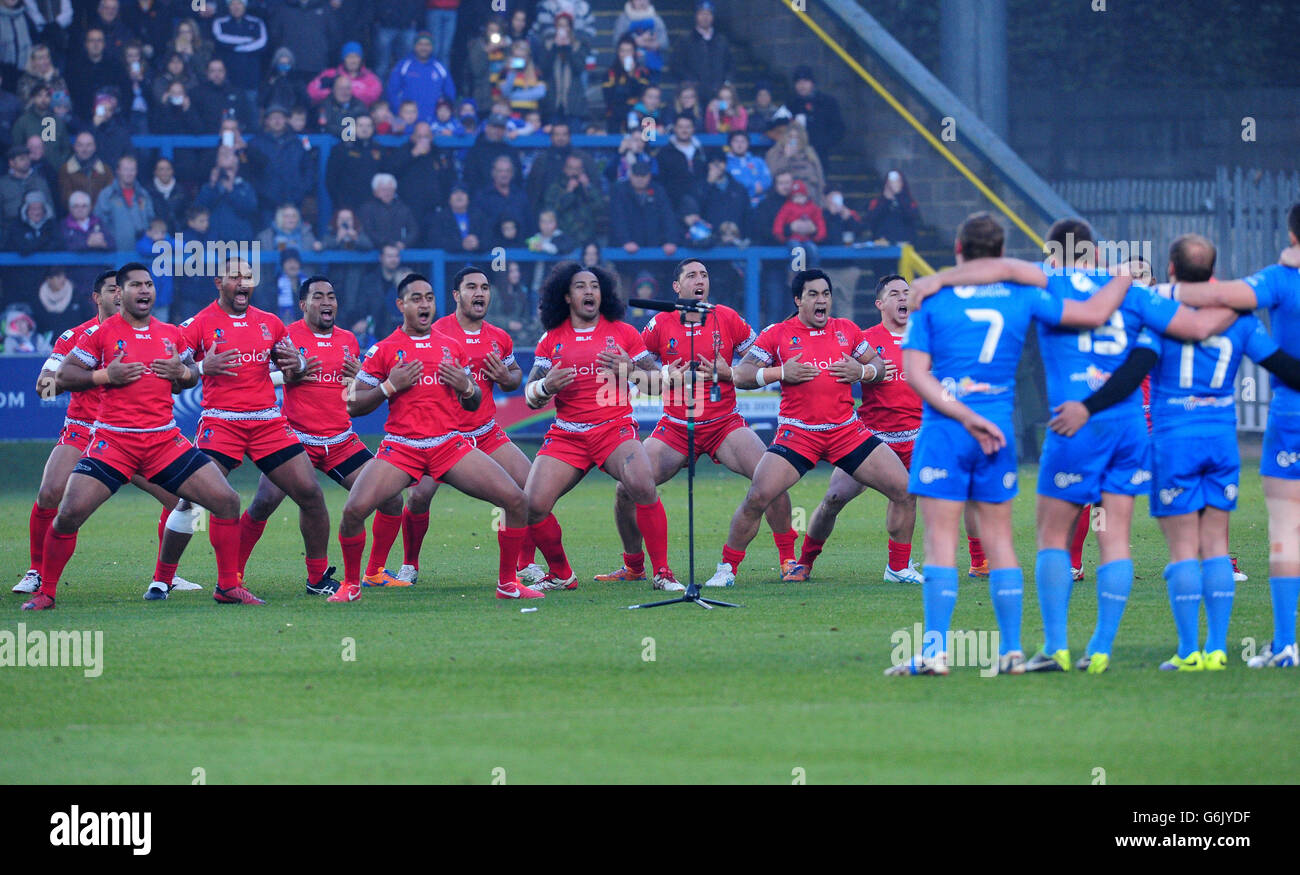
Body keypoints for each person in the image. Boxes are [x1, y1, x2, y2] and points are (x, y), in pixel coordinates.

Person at [911, 221, 1243, 673]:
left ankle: (1054, 647)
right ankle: (1102, 648)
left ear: (1051, 254)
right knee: (1115, 538)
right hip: (1127, 426)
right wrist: (1250, 304)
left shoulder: (1045, 281)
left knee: (1052, 536)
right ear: (1097, 252)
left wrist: (938, 279)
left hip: (1074, 425)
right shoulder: (1132, 290)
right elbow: (1197, 324)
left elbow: (994, 270)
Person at [885, 212, 1131, 676]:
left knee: (941, 541)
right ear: (1001, 254)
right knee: (1000, 539)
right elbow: (1094, 313)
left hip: (946, 427)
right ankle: (1013, 651)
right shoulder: (1026, 293)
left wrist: (963, 414)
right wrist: (1123, 275)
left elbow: (916, 374)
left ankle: (935, 652)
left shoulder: (932, 299)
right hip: (999, 429)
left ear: (958, 250)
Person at [20, 263, 243, 611]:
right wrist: (105, 375)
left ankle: (180, 580)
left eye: (149, 285)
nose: (142, 291)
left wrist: (185, 371)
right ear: (110, 295)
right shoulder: (85, 335)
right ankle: (41, 583)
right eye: (130, 286)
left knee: (215, 502)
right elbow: (53, 382)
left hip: (161, 441)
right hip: (102, 436)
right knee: (61, 505)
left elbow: (186, 377)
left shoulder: (170, 332)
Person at [1139, 220, 1300, 669]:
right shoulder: (1243, 322)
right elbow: (1284, 366)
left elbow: (1139, 363)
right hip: (1221, 440)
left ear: (1171, 268)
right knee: (1215, 545)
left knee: (1183, 549)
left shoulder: (1156, 311)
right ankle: (1217, 647)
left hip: (1174, 440)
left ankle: (1190, 650)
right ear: (1214, 273)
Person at [328, 272, 541, 603]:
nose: (424, 303)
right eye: (416, 298)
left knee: (516, 500)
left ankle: (508, 583)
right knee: (354, 510)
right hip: (402, 448)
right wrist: (389, 386)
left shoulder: (451, 347)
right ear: (401, 305)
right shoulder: (384, 349)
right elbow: (353, 405)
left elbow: (471, 401)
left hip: (448, 445)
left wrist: (466, 387)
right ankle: (351, 586)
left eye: (428, 297)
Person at [595, 260, 798, 585]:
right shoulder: (660, 322)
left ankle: (789, 560)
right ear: (677, 287)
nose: (699, 280)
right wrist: (629, 367)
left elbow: (759, 357)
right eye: (691, 275)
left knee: (770, 480)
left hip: (724, 424)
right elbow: (640, 369)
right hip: (675, 427)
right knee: (626, 489)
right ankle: (634, 566)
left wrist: (730, 371)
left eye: (704, 275)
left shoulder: (728, 317)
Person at [153, 257, 335, 603]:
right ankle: (163, 579)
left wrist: (294, 364)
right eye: (235, 277)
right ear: (219, 282)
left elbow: (292, 367)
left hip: (268, 422)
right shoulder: (199, 323)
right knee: (192, 503)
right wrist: (203, 366)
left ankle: (316, 577)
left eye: (248, 278)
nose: (243, 284)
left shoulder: (270, 323)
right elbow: (175, 368)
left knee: (310, 493)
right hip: (222, 421)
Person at [695, 270, 888, 588]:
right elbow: (742, 375)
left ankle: (898, 568)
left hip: (846, 431)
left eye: (825, 293)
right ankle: (726, 568)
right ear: (798, 300)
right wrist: (781, 371)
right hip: (798, 434)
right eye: (813, 294)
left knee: (904, 491)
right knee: (758, 496)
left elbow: (879, 367)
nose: (821, 300)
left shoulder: (847, 330)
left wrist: (863, 370)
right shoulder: (777, 333)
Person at [232, 275, 418, 586]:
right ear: (303, 305)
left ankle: (373, 572)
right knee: (264, 500)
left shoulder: (348, 340)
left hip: (340, 440)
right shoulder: (286, 337)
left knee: (391, 499)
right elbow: (258, 377)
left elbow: (351, 397)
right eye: (318, 297)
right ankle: (232, 574)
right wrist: (290, 375)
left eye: (331, 296)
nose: (326, 302)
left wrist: (359, 378)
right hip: (295, 439)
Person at [522, 261, 677, 590]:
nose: (589, 291)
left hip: (614, 428)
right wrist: (546, 387)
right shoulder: (552, 338)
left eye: (594, 285)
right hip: (567, 434)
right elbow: (529, 396)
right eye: (580, 286)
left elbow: (656, 384)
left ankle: (662, 572)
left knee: (643, 485)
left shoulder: (623, 332)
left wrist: (630, 370)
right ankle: (562, 574)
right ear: (566, 297)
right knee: (532, 506)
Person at [392, 267, 547, 586]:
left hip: (487, 432)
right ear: (456, 295)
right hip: (443, 438)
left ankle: (524, 563)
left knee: (530, 488)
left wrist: (507, 379)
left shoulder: (498, 337)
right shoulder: (435, 333)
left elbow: (515, 375)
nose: (479, 293)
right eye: (471, 287)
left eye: (485, 288)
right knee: (419, 498)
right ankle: (409, 565)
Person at [797, 275, 925, 584]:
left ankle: (905, 567)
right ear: (880, 304)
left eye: (906, 292)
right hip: (870, 438)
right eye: (894, 294)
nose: (902, 298)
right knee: (834, 499)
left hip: (920, 437)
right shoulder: (863, 339)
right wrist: (865, 372)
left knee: (933, 494)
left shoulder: (928, 338)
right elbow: (832, 372)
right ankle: (804, 562)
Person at [247, 104, 313, 222]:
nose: (277, 121)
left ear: (286, 120)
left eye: (280, 117)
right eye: (273, 118)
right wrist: (261, 193)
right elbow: (250, 173)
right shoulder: (255, 144)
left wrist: (302, 190)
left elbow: (308, 169)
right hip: (266, 205)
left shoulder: (297, 143)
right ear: (266, 121)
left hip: (293, 202)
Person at [609, 155, 679, 253]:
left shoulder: (658, 191)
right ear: (630, 176)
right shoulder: (620, 191)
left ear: (649, 176)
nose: (640, 179)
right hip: (626, 248)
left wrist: (671, 241)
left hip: (656, 247)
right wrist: (625, 241)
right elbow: (618, 219)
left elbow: (667, 216)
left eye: (643, 176)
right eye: (637, 175)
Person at [386, 31, 455, 125]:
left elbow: (450, 95)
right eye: (420, 44)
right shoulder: (403, 66)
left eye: (427, 44)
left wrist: (442, 118)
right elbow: (392, 92)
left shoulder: (440, 68)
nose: (424, 48)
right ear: (414, 46)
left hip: (434, 124)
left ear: (432, 47)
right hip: (406, 124)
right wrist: (400, 115)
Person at [671, 1, 732, 101]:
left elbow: (730, 64)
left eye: (708, 14)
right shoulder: (685, 40)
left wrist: (726, 82)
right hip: (694, 95)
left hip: (718, 93)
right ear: (696, 15)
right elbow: (676, 65)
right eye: (702, 13)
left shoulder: (721, 40)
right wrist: (690, 81)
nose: (705, 17)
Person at [195, 145, 256, 241]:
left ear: (236, 164)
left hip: (240, 242)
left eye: (229, 154)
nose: (226, 156)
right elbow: (199, 209)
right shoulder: (208, 187)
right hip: (212, 241)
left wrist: (231, 189)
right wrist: (212, 186)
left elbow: (250, 209)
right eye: (223, 154)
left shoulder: (244, 186)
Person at [543, 152, 605, 245]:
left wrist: (588, 187)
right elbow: (552, 212)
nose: (574, 172)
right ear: (564, 169)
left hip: (588, 239)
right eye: (570, 168)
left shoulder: (588, 188)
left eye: (578, 169)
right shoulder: (555, 188)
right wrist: (569, 192)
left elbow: (599, 208)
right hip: (564, 240)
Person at [538, 12, 588, 126]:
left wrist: (568, 48)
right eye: (560, 25)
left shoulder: (579, 45)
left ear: (570, 28)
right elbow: (544, 68)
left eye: (566, 25)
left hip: (573, 103)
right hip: (552, 102)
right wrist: (555, 47)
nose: (563, 29)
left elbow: (579, 68)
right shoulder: (547, 45)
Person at [788, 65, 844, 159]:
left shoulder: (827, 102)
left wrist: (822, 144)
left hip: (820, 155)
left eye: (805, 81)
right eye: (798, 82)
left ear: (812, 83)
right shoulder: (790, 104)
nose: (802, 85)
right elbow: (780, 127)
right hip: (795, 156)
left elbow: (838, 128)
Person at [765, 121, 825, 207]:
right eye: (790, 137)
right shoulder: (775, 152)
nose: (793, 140)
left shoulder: (810, 153)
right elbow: (772, 173)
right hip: (786, 197)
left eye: (797, 137)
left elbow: (819, 178)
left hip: (810, 197)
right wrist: (786, 157)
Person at [306, 40, 382, 107]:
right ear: (343, 59)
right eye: (349, 57)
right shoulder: (330, 74)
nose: (353, 61)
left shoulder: (370, 77)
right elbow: (312, 91)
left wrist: (343, 92)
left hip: (358, 116)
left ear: (361, 59)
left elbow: (373, 96)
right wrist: (334, 93)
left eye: (356, 57)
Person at [601, 34, 648, 132]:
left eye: (629, 51)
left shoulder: (642, 72)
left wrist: (631, 76)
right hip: (616, 117)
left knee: (650, 120)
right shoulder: (610, 73)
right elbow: (609, 98)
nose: (625, 54)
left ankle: (649, 145)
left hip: (640, 115)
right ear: (618, 53)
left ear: (634, 53)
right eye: (622, 51)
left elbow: (643, 94)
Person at [359, 172, 419, 249]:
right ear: (375, 192)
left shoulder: (403, 209)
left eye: (390, 190)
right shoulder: (367, 209)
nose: (388, 193)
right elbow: (367, 231)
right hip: (374, 251)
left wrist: (404, 243)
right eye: (384, 190)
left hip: (399, 251)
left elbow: (414, 230)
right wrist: (388, 244)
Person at [613, 0, 668, 78]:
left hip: (652, 68)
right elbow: (616, 41)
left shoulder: (656, 20)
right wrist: (635, 41)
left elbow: (665, 43)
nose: (642, 2)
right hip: (628, 68)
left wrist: (647, 43)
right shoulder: (623, 19)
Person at [864, 170, 919, 244]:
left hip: (904, 244)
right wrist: (886, 200)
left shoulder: (909, 201)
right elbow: (871, 220)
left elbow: (912, 217)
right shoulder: (876, 202)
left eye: (897, 181)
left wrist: (899, 195)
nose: (893, 185)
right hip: (882, 245)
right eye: (890, 182)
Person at [498, 38, 545, 117]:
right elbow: (505, 92)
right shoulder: (505, 71)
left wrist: (512, 96)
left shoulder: (536, 72)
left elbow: (540, 93)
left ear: (528, 57)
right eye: (517, 56)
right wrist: (512, 72)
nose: (520, 59)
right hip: (511, 113)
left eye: (523, 56)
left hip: (531, 113)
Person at [771, 179, 825, 244]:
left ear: (806, 196)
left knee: (812, 249)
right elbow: (780, 220)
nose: (798, 199)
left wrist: (819, 235)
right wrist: (779, 234)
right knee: (796, 248)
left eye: (801, 196)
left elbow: (819, 221)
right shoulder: (787, 207)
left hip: (808, 238)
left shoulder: (812, 207)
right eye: (795, 197)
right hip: (793, 238)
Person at [725, 129, 768, 208]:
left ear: (748, 144)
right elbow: (733, 185)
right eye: (736, 141)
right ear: (730, 143)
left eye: (743, 141)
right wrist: (753, 187)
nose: (739, 145)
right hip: (734, 204)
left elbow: (767, 180)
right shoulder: (725, 162)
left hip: (759, 204)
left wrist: (760, 186)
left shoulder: (758, 161)